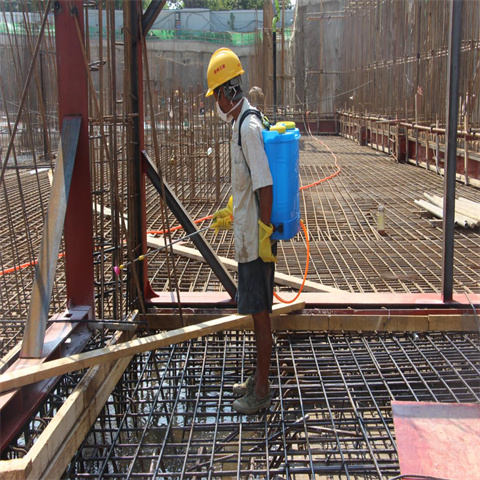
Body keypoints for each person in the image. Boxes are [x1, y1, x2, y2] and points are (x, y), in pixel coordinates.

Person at [206, 48, 277, 415]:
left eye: (216, 94)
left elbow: (265, 186)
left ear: (228, 92)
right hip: (249, 235)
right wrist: (232, 211)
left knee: (260, 313)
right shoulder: (240, 124)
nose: (215, 102)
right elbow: (249, 185)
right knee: (255, 312)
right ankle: (258, 377)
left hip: (256, 243)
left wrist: (263, 235)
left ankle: (261, 392)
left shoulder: (247, 128)